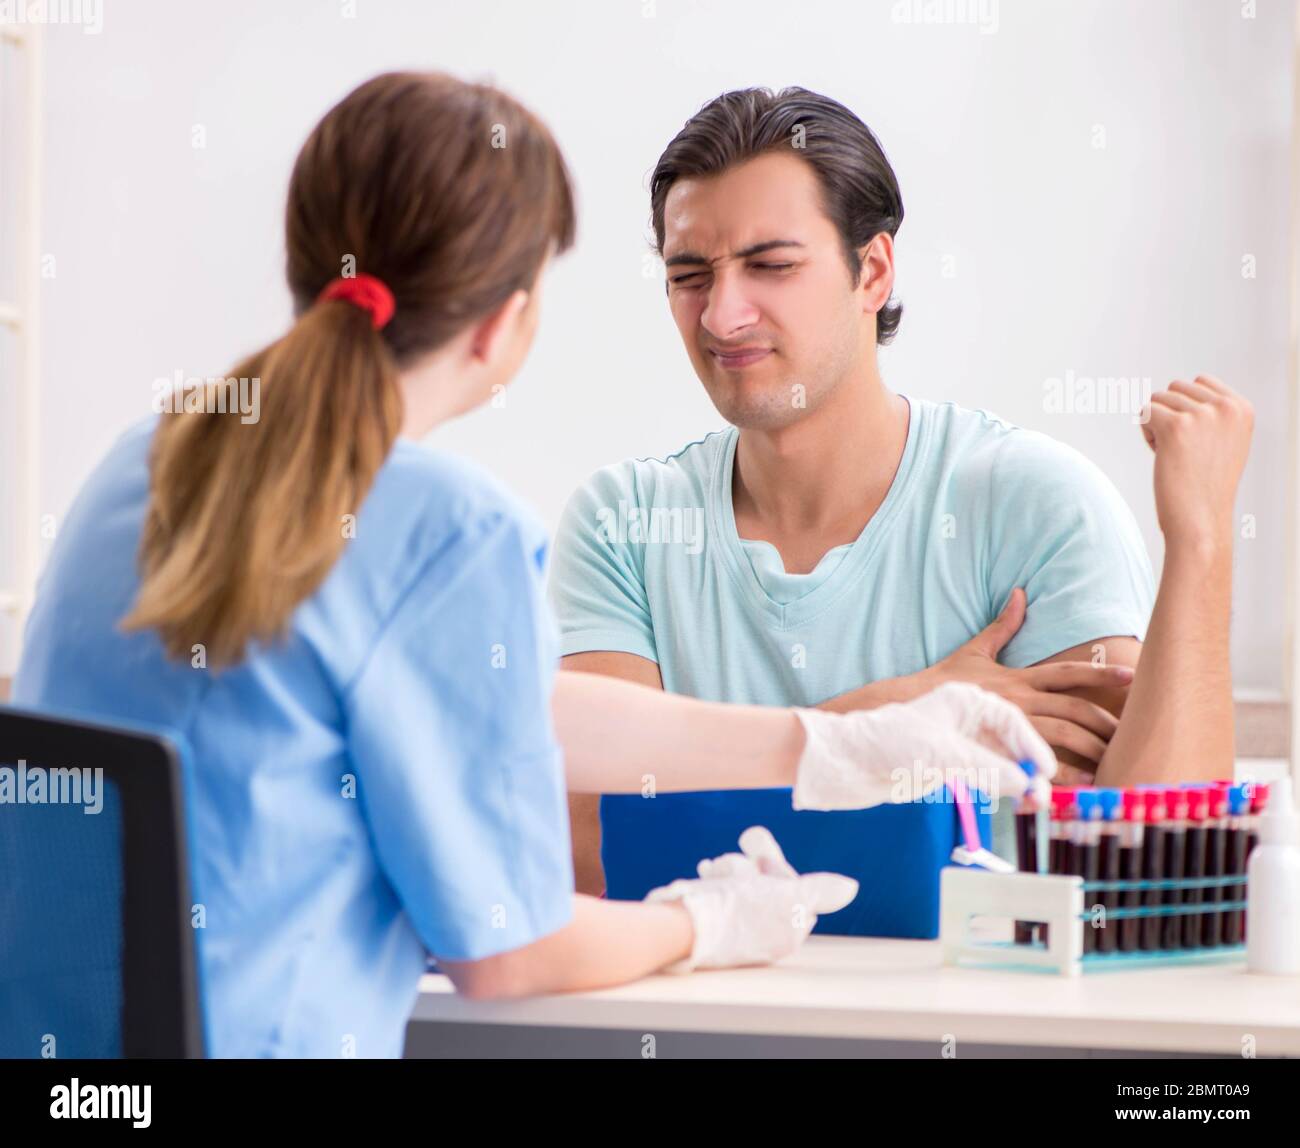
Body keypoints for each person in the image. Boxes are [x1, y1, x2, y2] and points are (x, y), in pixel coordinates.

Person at [8, 73, 1052, 1059]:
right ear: (509, 320)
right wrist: (705, 921)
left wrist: (831, 745)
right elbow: (506, 951)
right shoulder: (446, 528)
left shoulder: (147, 459)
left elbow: (490, 702)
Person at [551, 86, 1255, 936]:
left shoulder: (1032, 502)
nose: (722, 314)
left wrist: (1202, 539)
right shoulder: (622, 522)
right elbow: (590, 841)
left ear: (872, 272)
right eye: (689, 275)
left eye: (771, 265)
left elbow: (1138, 862)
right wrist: (900, 714)